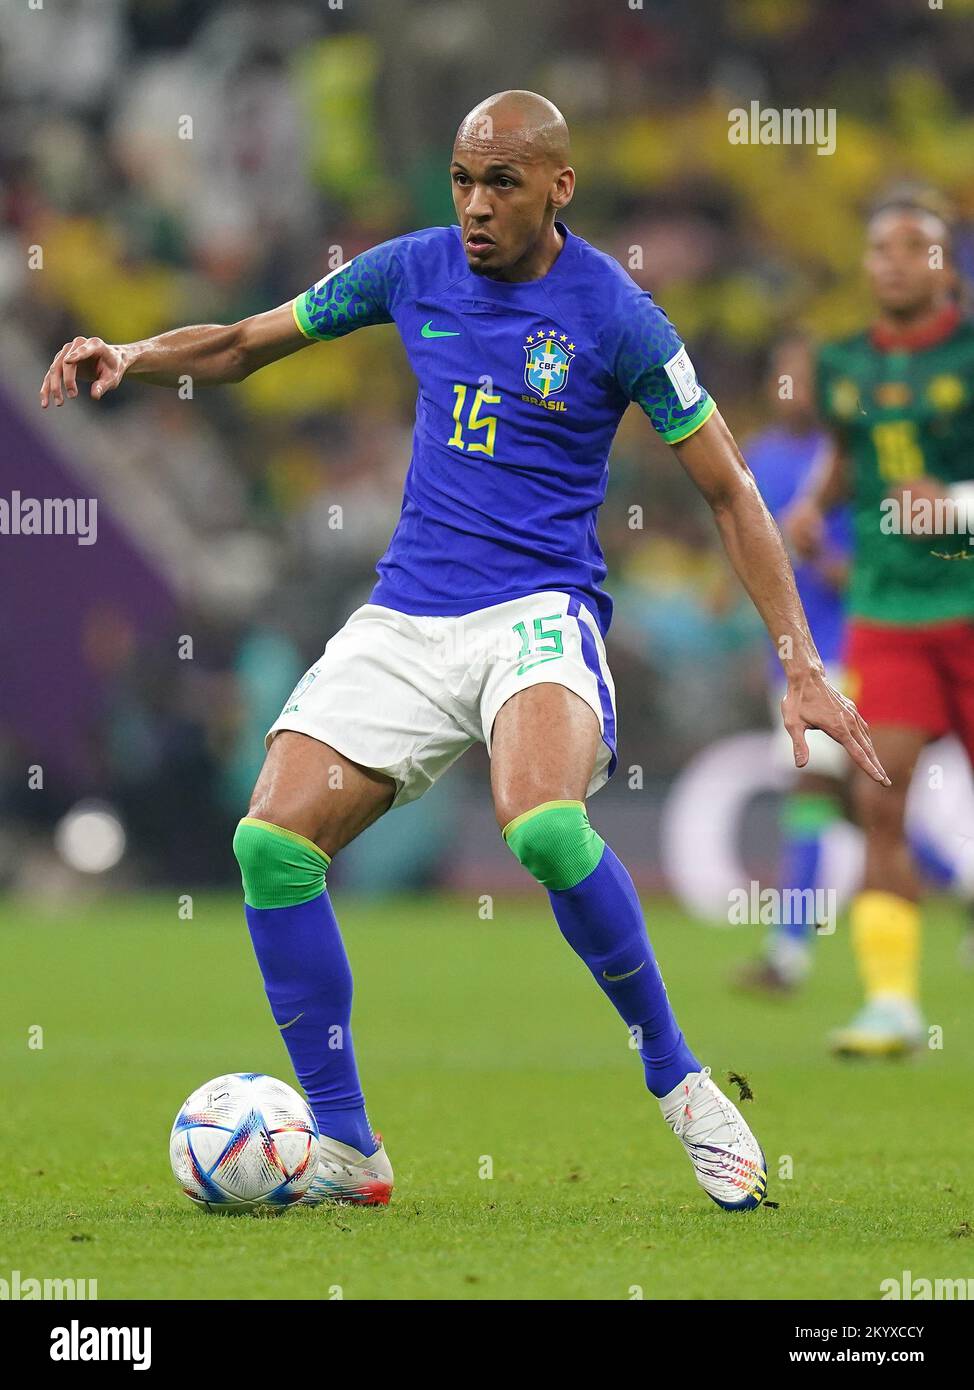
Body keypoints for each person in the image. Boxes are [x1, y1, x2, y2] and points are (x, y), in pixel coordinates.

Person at [40, 90, 886, 1211]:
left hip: (537, 612)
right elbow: (247, 344)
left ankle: (675, 1076)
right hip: (406, 614)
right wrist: (133, 352)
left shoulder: (617, 315)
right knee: (269, 847)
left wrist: (798, 662)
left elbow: (729, 489)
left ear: (557, 186)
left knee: (540, 825)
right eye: (460, 180)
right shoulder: (411, 268)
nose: (475, 205)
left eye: (500, 182)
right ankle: (346, 1143)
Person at [787, 196, 974, 1056]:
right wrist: (812, 504)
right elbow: (848, 448)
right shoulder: (844, 363)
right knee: (876, 792)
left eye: (915, 247)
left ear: (947, 266)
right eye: (879, 248)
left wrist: (958, 504)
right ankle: (892, 1004)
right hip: (889, 610)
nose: (894, 261)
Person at [735, 334, 852, 994]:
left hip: (843, 651)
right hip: (785, 658)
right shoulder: (759, 455)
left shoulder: (845, 460)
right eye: (785, 376)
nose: (793, 389)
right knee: (848, 800)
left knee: (813, 790)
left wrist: (834, 568)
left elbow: (878, 564)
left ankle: (787, 951)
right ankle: (959, 880)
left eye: (804, 376)